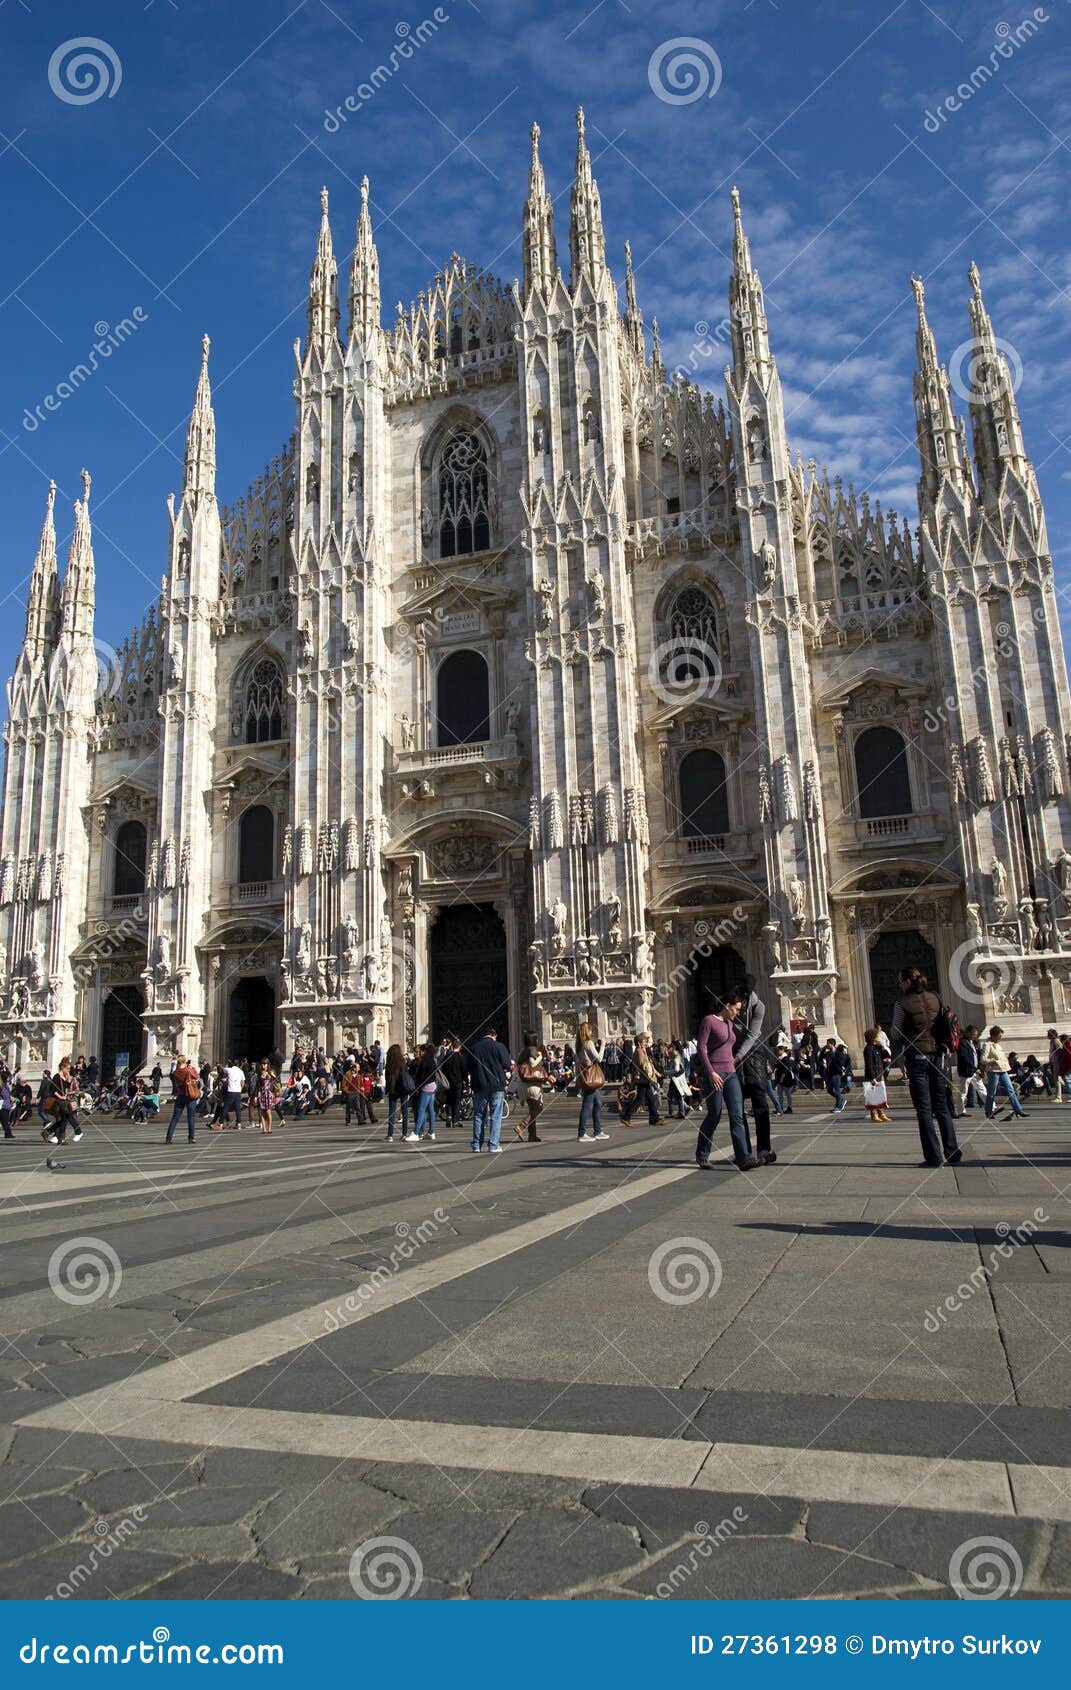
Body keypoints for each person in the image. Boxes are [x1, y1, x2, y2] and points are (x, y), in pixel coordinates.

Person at [889, 967, 961, 1166]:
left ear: (906, 982)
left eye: (900, 981)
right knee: (942, 1107)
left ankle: (934, 1157)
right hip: (938, 1057)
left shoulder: (901, 1003)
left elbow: (895, 1033)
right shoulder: (935, 998)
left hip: (917, 1058)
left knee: (924, 1110)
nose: (899, 985)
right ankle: (953, 1153)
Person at [695, 990, 759, 1170]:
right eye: (736, 1009)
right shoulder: (709, 1021)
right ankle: (702, 1154)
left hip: (730, 1073)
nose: (737, 1013)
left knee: (737, 1115)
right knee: (714, 1115)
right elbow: (701, 1048)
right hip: (714, 1073)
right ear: (727, 1006)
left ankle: (743, 1157)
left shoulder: (730, 1024)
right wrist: (711, 1073)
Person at [467, 1025, 513, 1154]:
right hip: (497, 1085)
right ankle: (493, 1145)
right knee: (496, 1115)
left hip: (479, 1085)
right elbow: (507, 1065)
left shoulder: (474, 1048)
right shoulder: (499, 1046)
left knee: (478, 1115)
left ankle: (476, 1145)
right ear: (494, 1036)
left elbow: (469, 1067)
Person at [979, 1025, 1027, 1121]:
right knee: (992, 1091)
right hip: (993, 1071)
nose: (1000, 1038)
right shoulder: (987, 1045)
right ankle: (988, 1111)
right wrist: (993, 1060)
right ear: (993, 1035)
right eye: (999, 1036)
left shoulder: (998, 1045)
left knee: (1010, 1089)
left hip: (1003, 1069)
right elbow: (983, 1059)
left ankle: (1018, 1109)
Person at [619, 1033, 663, 1126]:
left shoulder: (641, 1051)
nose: (646, 1043)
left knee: (651, 1099)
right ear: (639, 1043)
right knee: (639, 1100)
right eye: (644, 1041)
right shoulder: (639, 1052)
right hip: (643, 1079)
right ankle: (626, 1116)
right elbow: (643, 1065)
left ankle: (654, 1118)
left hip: (644, 1079)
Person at [575, 1020, 609, 1140]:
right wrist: (603, 1045)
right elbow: (599, 1058)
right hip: (591, 1078)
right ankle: (581, 1133)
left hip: (587, 1076)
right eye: (590, 1030)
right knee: (587, 1106)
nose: (591, 1032)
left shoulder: (579, 1044)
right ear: (587, 1031)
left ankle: (598, 1131)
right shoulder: (588, 1043)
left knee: (598, 1103)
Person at [40, 1058, 83, 1146]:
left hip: (62, 1101)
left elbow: (67, 1086)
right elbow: (53, 1089)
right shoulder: (57, 1076)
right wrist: (61, 1097)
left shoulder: (63, 1077)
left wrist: (68, 1077)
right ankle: (64, 1136)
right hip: (58, 1101)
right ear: (62, 1068)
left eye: (69, 1069)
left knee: (63, 1119)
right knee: (65, 1117)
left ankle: (50, 1133)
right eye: (67, 1068)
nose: (69, 1070)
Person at [515, 1036, 548, 1143]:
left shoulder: (523, 1052)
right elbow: (532, 1063)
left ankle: (532, 1135)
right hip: (532, 1085)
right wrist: (540, 1056)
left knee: (532, 1110)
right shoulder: (532, 1050)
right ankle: (521, 1126)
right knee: (538, 1108)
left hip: (523, 1085)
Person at [164, 1053, 200, 1145]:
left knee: (175, 1118)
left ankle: (168, 1138)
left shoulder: (176, 1072)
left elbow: (175, 1076)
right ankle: (191, 1138)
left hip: (180, 1095)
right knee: (191, 1117)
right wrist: (191, 1068)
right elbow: (196, 1076)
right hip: (190, 1095)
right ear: (185, 1061)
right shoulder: (189, 1070)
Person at [408, 1042, 439, 1142]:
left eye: (421, 1051)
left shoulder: (424, 1061)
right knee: (430, 1109)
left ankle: (416, 1132)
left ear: (424, 1051)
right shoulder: (432, 1060)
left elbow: (421, 1076)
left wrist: (417, 1085)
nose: (420, 1053)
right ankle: (431, 1132)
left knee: (421, 1109)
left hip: (426, 1087)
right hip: (433, 1086)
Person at [384, 1042, 414, 1142]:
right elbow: (406, 1074)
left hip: (393, 1090)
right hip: (403, 1089)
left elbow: (387, 1078)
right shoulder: (402, 1062)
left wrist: (387, 1090)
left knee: (391, 1113)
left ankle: (390, 1135)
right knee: (404, 1112)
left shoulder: (389, 1064)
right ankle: (404, 1134)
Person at [862, 1029, 890, 1122]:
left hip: (880, 1072)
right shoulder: (869, 1048)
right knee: (873, 1095)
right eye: (877, 1036)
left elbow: (886, 1055)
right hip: (873, 1074)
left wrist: (881, 1046)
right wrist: (872, 1077)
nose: (879, 1037)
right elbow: (869, 1063)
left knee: (880, 1094)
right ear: (873, 1037)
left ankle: (881, 1113)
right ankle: (874, 1114)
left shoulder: (877, 1047)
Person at [956, 1024, 985, 1114]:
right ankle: (961, 1110)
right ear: (968, 1033)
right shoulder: (963, 1043)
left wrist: (979, 1068)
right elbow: (964, 1057)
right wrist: (974, 1067)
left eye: (976, 1034)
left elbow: (976, 1056)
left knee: (982, 1089)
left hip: (975, 1071)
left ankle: (992, 1107)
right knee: (963, 1091)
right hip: (967, 1071)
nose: (975, 1036)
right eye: (973, 1034)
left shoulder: (973, 1043)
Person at [440, 1039, 466, 1128]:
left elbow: (442, 1069)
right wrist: (466, 1081)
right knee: (456, 1101)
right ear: (459, 1047)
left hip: (447, 1082)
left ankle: (449, 1117)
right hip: (457, 1082)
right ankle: (455, 1120)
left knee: (449, 1100)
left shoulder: (446, 1057)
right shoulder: (460, 1057)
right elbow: (464, 1071)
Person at [664, 1041, 692, 1120]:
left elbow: (676, 1070)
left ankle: (680, 1112)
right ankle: (683, 1109)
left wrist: (667, 1072)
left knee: (676, 1095)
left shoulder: (676, 1059)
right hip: (675, 1079)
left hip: (676, 1080)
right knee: (674, 1095)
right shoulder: (677, 1058)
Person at [255, 1060, 279, 1133]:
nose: (263, 1065)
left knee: (268, 1111)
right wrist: (256, 1096)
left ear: (267, 1065)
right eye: (262, 1064)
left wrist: (272, 1075)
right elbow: (257, 1086)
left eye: (265, 1064)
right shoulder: (259, 1074)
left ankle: (269, 1129)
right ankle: (264, 1129)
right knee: (262, 1112)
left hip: (268, 1094)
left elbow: (277, 1081)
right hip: (261, 1094)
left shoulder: (270, 1073)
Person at [222, 1059, 245, 1129]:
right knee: (237, 1109)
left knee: (226, 1107)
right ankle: (239, 1124)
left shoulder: (229, 1070)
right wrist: (240, 1089)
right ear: (238, 1064)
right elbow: (243, 1082)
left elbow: (222, 1069)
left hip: (231, 1091)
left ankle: (220, 1123)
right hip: (238, 1092)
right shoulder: (241, 1071)